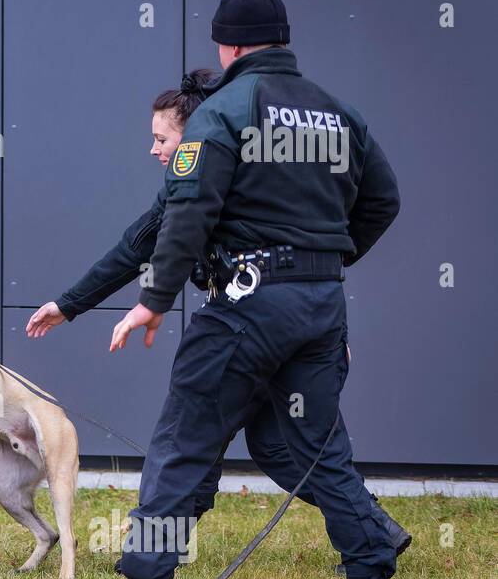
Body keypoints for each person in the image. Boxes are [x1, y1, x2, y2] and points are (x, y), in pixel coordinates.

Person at [66, 0, 410, 579]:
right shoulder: (340, 114)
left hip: (246, 308)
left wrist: (155, 298)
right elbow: (383, 201)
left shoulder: (221, 111)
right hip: (320, 309)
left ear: (229, 47)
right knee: (321, 456)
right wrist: (320, 261)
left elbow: (186, 211)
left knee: (181, 448)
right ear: (282, 41)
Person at [26, 72, 410, 548]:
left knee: (192, 438)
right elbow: (139, 245)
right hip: (305, 323)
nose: (154, 150)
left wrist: (111, 303)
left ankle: (153, 555)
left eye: (161, 138)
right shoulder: (261, 171)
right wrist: (69, 304)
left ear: (198, 130)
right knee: (277, 447)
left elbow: (138, 247)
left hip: (246, 326)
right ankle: (375, 533)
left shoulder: (202, 177)